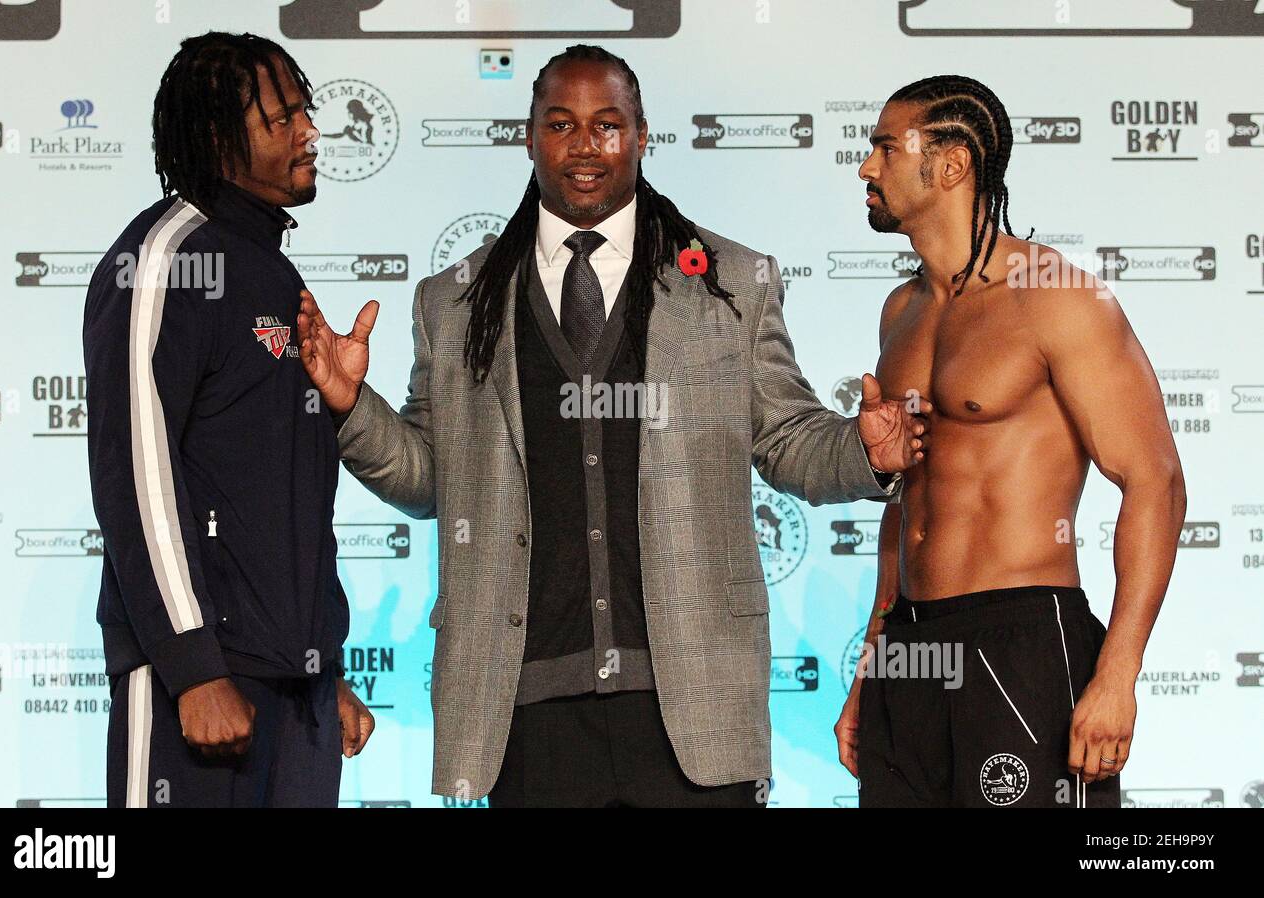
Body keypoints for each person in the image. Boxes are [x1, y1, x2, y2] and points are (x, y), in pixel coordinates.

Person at [299, 45, 927, 807]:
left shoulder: (731, 281)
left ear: (642, 134)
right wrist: (348, 406)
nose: (585, 146)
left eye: (607, 124)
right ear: (529, 137)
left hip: (693, 705)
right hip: (524, 715)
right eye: (561, 124)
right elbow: (433, 476)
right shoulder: (453, 302)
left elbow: (787, 437)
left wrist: (862, 451)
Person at [834, 75, 1186, 808]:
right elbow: (906, 505)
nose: (867, 169)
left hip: (1022, 639)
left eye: (884, 149)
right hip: (911, 642)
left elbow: (1154, 479)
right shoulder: (900, 310)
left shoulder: (1055, 297)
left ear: (952, 164)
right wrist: (873, 663)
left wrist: (1118, 674)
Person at [83, 31, 372, 808]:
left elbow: (286, 495)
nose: (309, 131)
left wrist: (321, 664)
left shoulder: (270, 267)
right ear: (216, 139)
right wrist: (194, 665)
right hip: (204, 686)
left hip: (294, 689)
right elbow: (136, 475)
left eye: (304, 112)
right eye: (282, 118)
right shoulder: (164, 258)